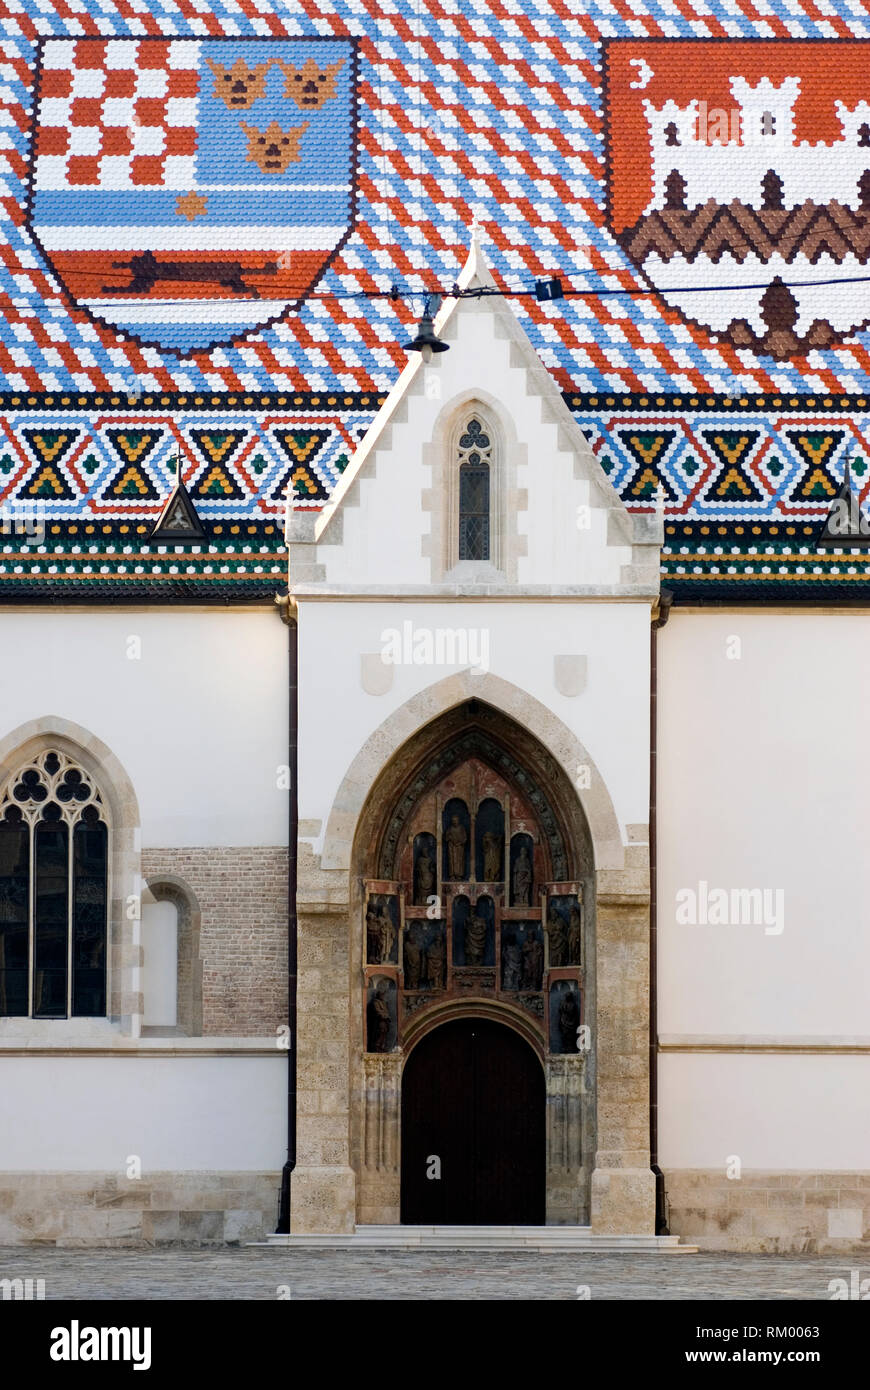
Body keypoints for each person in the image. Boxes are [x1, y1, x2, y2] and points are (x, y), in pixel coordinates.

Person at [445, 813, 467, 879]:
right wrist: (450, 838)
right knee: (452, 861)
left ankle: (459, 875)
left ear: (458, 821)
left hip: (460, 847)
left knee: (459, 861)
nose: (454, 822)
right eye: (453, 821)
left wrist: (460, 843)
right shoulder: (450, 829)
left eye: (456, 820)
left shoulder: (462, 828)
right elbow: (446, 838)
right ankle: (452, 875)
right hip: (452, 847)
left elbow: (465, 838)